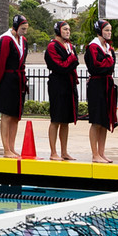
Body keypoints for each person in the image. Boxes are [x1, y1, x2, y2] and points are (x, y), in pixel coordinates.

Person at [0, 16, 31, 160]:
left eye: (26, 29)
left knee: (15, 116)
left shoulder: (23, 41)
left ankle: (12, 147)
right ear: (15, 27)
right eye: (23, 29)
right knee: (6, 116)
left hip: (18, 80)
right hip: (7, 80)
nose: (25, 32)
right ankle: (6, 148)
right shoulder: (6, 40)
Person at [84, 19, 118, 164]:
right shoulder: (93, 47)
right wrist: (108, 61)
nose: (109, 33)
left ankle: (101, 152)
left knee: (105, 121)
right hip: (97, 85)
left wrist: (108, 61)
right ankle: (94, 153)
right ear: (100, 31)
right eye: (106, 30)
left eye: (110, 30)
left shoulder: (107, 48)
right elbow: (97, 66)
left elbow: (111, 65)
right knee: (96, 121)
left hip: (107, 84)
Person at [44, 21, 80, 161]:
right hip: (57, 84)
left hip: (69, 84)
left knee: (66, 120)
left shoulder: (70, 46)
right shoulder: (52, 47)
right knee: (56, 119)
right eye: (65, 29)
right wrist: (70, 60)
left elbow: (74, 63)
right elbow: (60, 66)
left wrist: (70, 61)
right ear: (58, 30)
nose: (68, 31)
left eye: (69, 29)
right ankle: (53, 152)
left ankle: (64, 151)